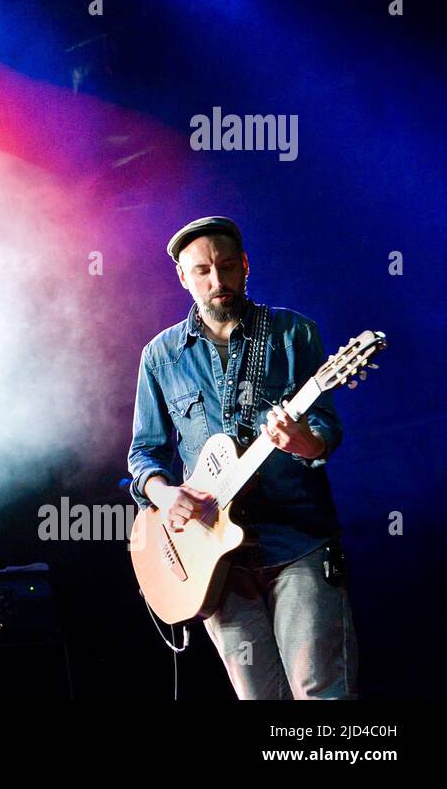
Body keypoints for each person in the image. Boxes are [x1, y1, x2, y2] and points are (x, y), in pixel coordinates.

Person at [127, 216, 357, 699]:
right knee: (257, 696)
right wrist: (164, 494)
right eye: (203, 270)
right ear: (183, 277)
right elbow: (144, 454)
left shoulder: (294, 333)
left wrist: (303, 442)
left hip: (297, 542)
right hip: (214, 561)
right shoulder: (160, 356)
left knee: (319, 690)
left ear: (246, 266)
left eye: (227, 266)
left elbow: (326, 431)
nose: (217, 281)